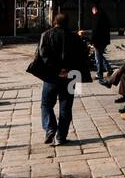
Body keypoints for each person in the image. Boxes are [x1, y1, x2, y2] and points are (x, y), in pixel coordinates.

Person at [37, 11, 91, 146]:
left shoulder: (46, 35)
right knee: (66, 106)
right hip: (72, 75)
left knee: (46, 104)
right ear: (68, 23)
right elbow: (83, 55)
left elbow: (43, 55)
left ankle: (50, 127)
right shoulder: (75, 37)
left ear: (55, 22)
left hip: (52, 75)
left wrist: (57, 69)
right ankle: (61, 136)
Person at [87, 3, 112, 78]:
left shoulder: (96, 16)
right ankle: (109, 69)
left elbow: (95, 30)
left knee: (97, 57)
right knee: (100, 55)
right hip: (105, 39)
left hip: (98, 40)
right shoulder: (104, 15)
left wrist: (92, 41)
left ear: (94, 10)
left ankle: (99, 73)